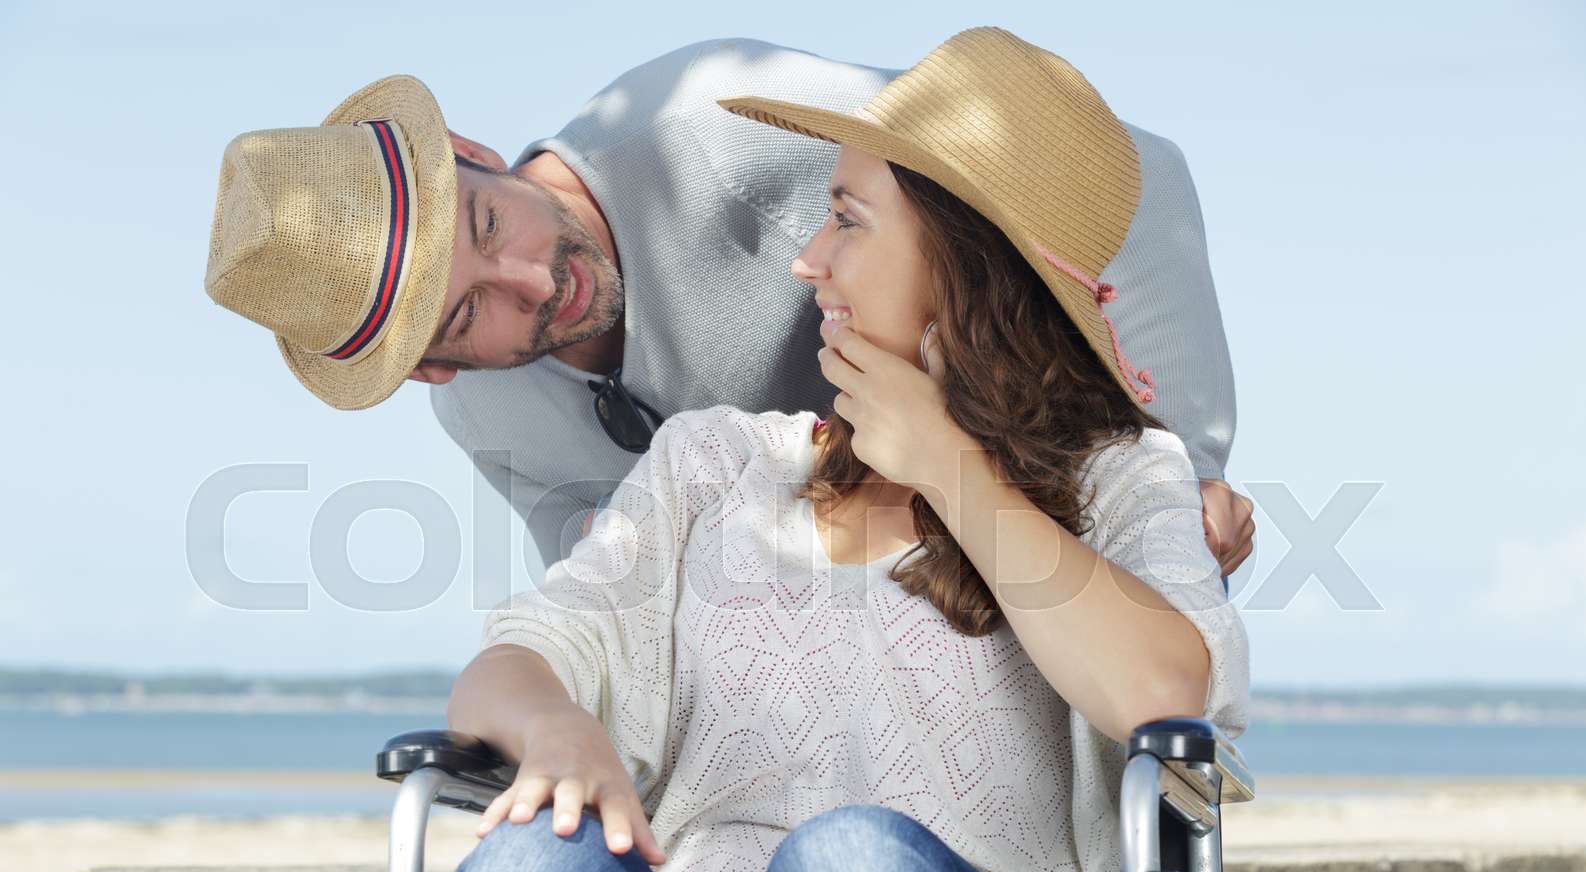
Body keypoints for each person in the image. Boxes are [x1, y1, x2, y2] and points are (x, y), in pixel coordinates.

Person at [396, 28, 1248, 872]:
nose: (806, 260)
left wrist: (947, 462)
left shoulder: (1120, 477)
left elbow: (1166, 691)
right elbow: (515, 660)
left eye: (846, 218)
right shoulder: (714, 463)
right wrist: (555, 725)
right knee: (536, 851)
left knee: (844, 859)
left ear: (965, 251)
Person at [202, 38, 1256, 574]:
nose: (532, 282)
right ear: (433, 369)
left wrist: (1176, 467)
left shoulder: (712, 124)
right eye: (465, 315)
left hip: (1023, 547)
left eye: (485, 228)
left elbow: (1125, 173)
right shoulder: (485, 415)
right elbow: (611, 609)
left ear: (472, 154)